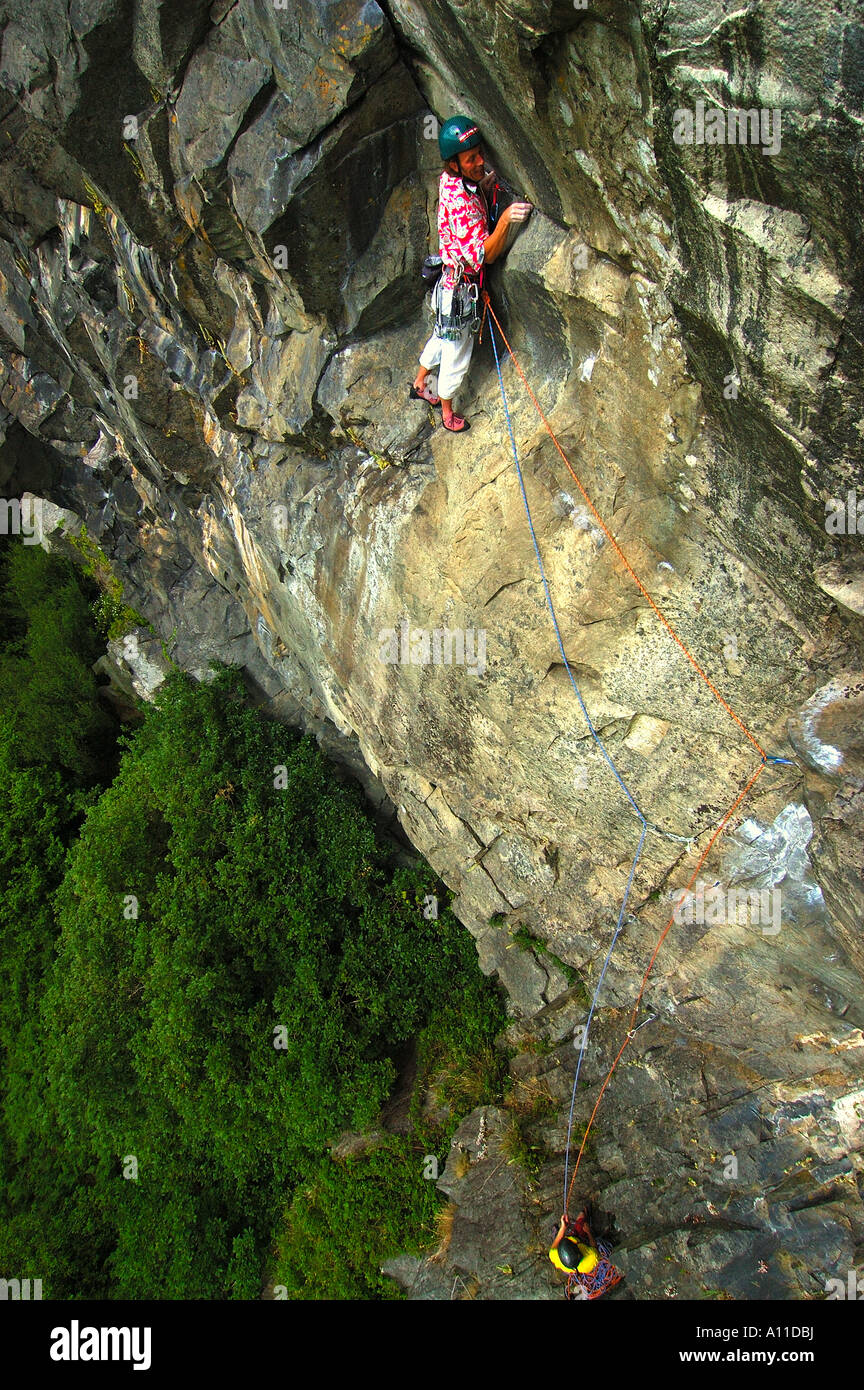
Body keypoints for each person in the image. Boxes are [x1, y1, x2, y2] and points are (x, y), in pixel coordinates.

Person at [410, 115, 532, 433]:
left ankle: (421, 381)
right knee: (457, 357)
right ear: (455, 164)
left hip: (447, 288)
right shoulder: (461, 203)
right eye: (471, 159)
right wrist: (505, 220)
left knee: (440, 336)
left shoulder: (450, 181)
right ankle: (446, 410)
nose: (480, 161)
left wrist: (484, 185)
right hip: (461, 296)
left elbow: (469, 194)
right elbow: (485, 256)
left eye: (479, 153)